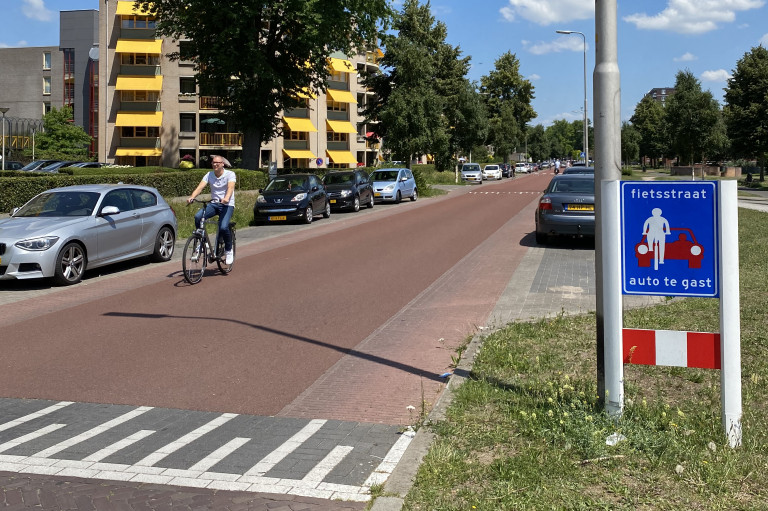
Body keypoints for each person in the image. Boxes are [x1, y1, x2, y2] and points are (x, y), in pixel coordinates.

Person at [187, 155, 236, 264]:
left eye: (217, 162)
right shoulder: (209, 175)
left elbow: (230, 188)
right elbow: (200, 187)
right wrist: (192, 197)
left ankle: (228, 250)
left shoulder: (230, 174)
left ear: (222, 164)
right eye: (213, 162)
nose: (215, 164)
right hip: (214, 204)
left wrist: (226, 198)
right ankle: (202, 240)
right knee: (198, 217)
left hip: (227, 205)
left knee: (223, 227)